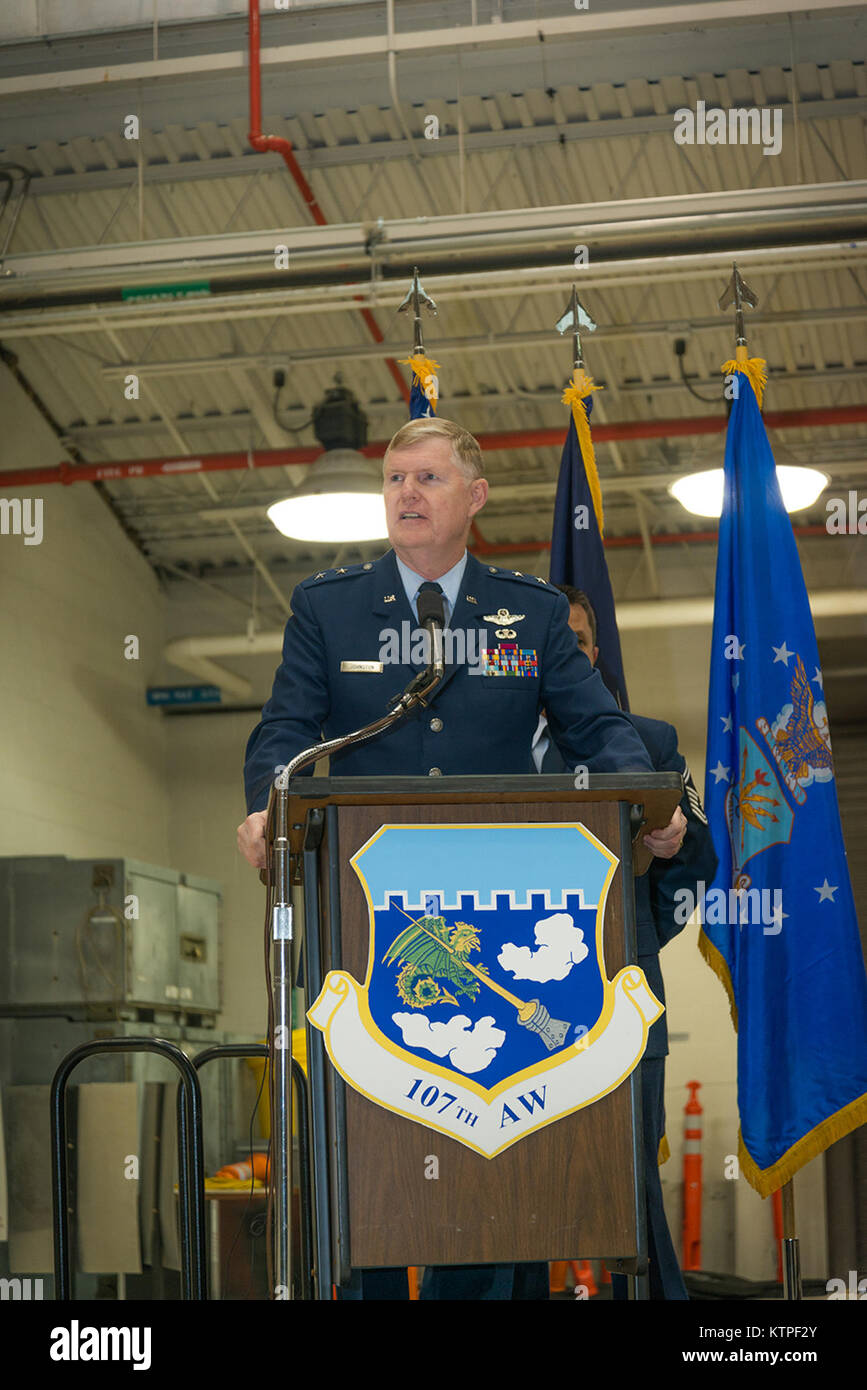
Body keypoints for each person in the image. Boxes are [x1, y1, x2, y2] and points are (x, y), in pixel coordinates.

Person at [238, 417, 689, 1299]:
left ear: (474, 497)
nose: (406, 494)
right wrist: (266, 807)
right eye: (396, 478)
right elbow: (285, 732)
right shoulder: (326, 607)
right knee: (372, 1151)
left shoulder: (528, 611)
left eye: (428, 479)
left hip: (498, 907)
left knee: (491, 1160)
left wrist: (647, 805)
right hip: (368, 922)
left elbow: (596, 726)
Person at [529, 584, 719, 1300]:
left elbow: (691, 864)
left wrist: (630, 941)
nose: (561, 657)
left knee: (627, 1191)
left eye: (573, 643)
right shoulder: (483, 749)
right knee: (503, 1189)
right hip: (505, 1009)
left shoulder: (648, 741)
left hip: (620, 999)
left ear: (592, 651)